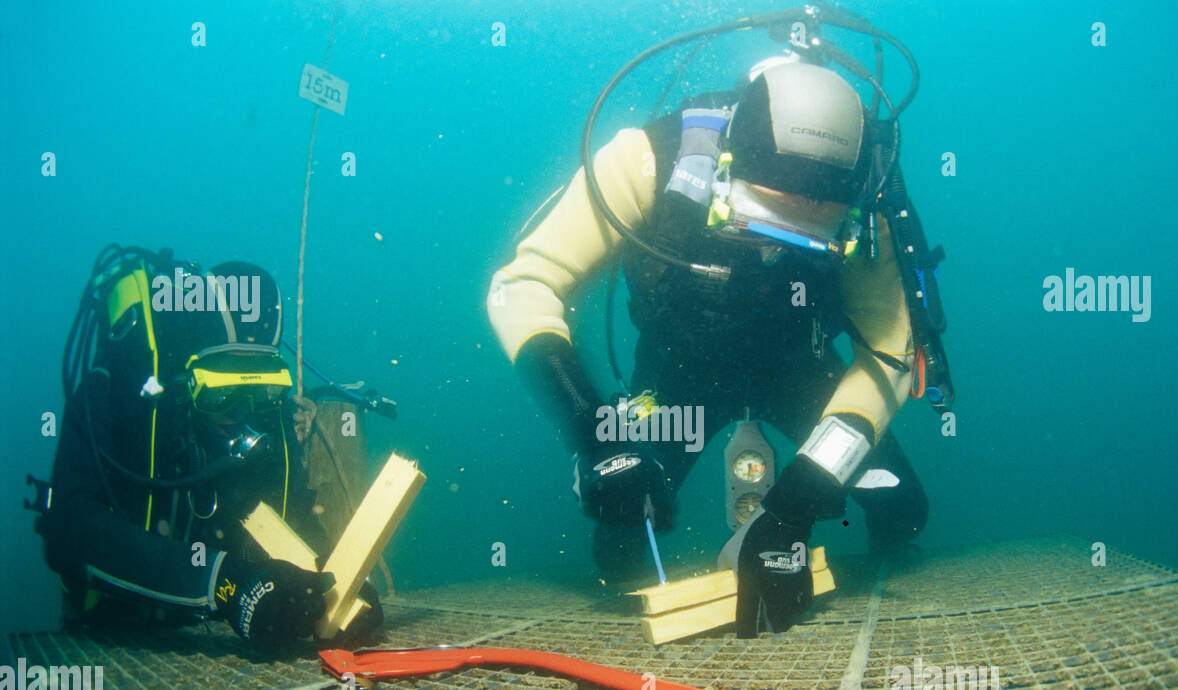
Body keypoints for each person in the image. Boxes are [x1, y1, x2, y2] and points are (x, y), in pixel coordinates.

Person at [488, 50, 951, 637]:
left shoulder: (866, 207)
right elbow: (521, 286)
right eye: (758, 223)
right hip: (679, 372)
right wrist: (593, 434)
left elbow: (888, 353)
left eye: (812, 237)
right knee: (624, 531)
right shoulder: (648, 160)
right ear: (725, 165)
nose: (772, 250)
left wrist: (796, 505)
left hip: (797, 368)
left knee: (904, 512)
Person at [34, 246, 382, 651]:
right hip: (113, 638)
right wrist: (221, 582)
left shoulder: (268, 417)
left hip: (220, 639)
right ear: (186, 379)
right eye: (223, 394)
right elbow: (70, 530)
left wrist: (341, 587)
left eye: (261, 392)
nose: (243, 413)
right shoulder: (116, 395)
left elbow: (296, 520)